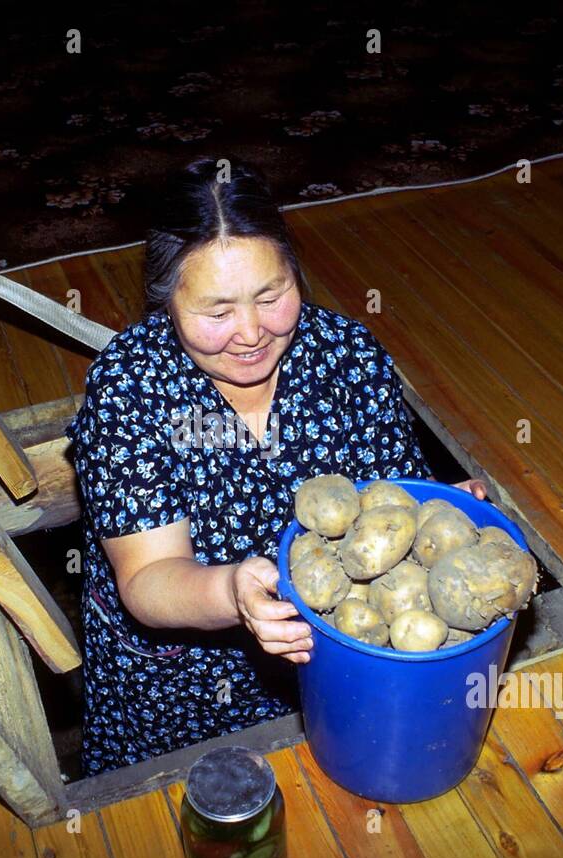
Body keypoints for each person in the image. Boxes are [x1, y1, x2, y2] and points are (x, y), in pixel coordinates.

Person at [65, 156, 487, 776]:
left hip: (340, 651)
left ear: (296, 273)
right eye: (217, 312)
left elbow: (392, 504)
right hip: (182, 679)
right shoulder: (129, 387)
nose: (251, 333)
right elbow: (149, 579)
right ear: (167, 301)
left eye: (272, 295)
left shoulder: (346, 357)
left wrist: (442, 518)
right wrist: (232, 591)